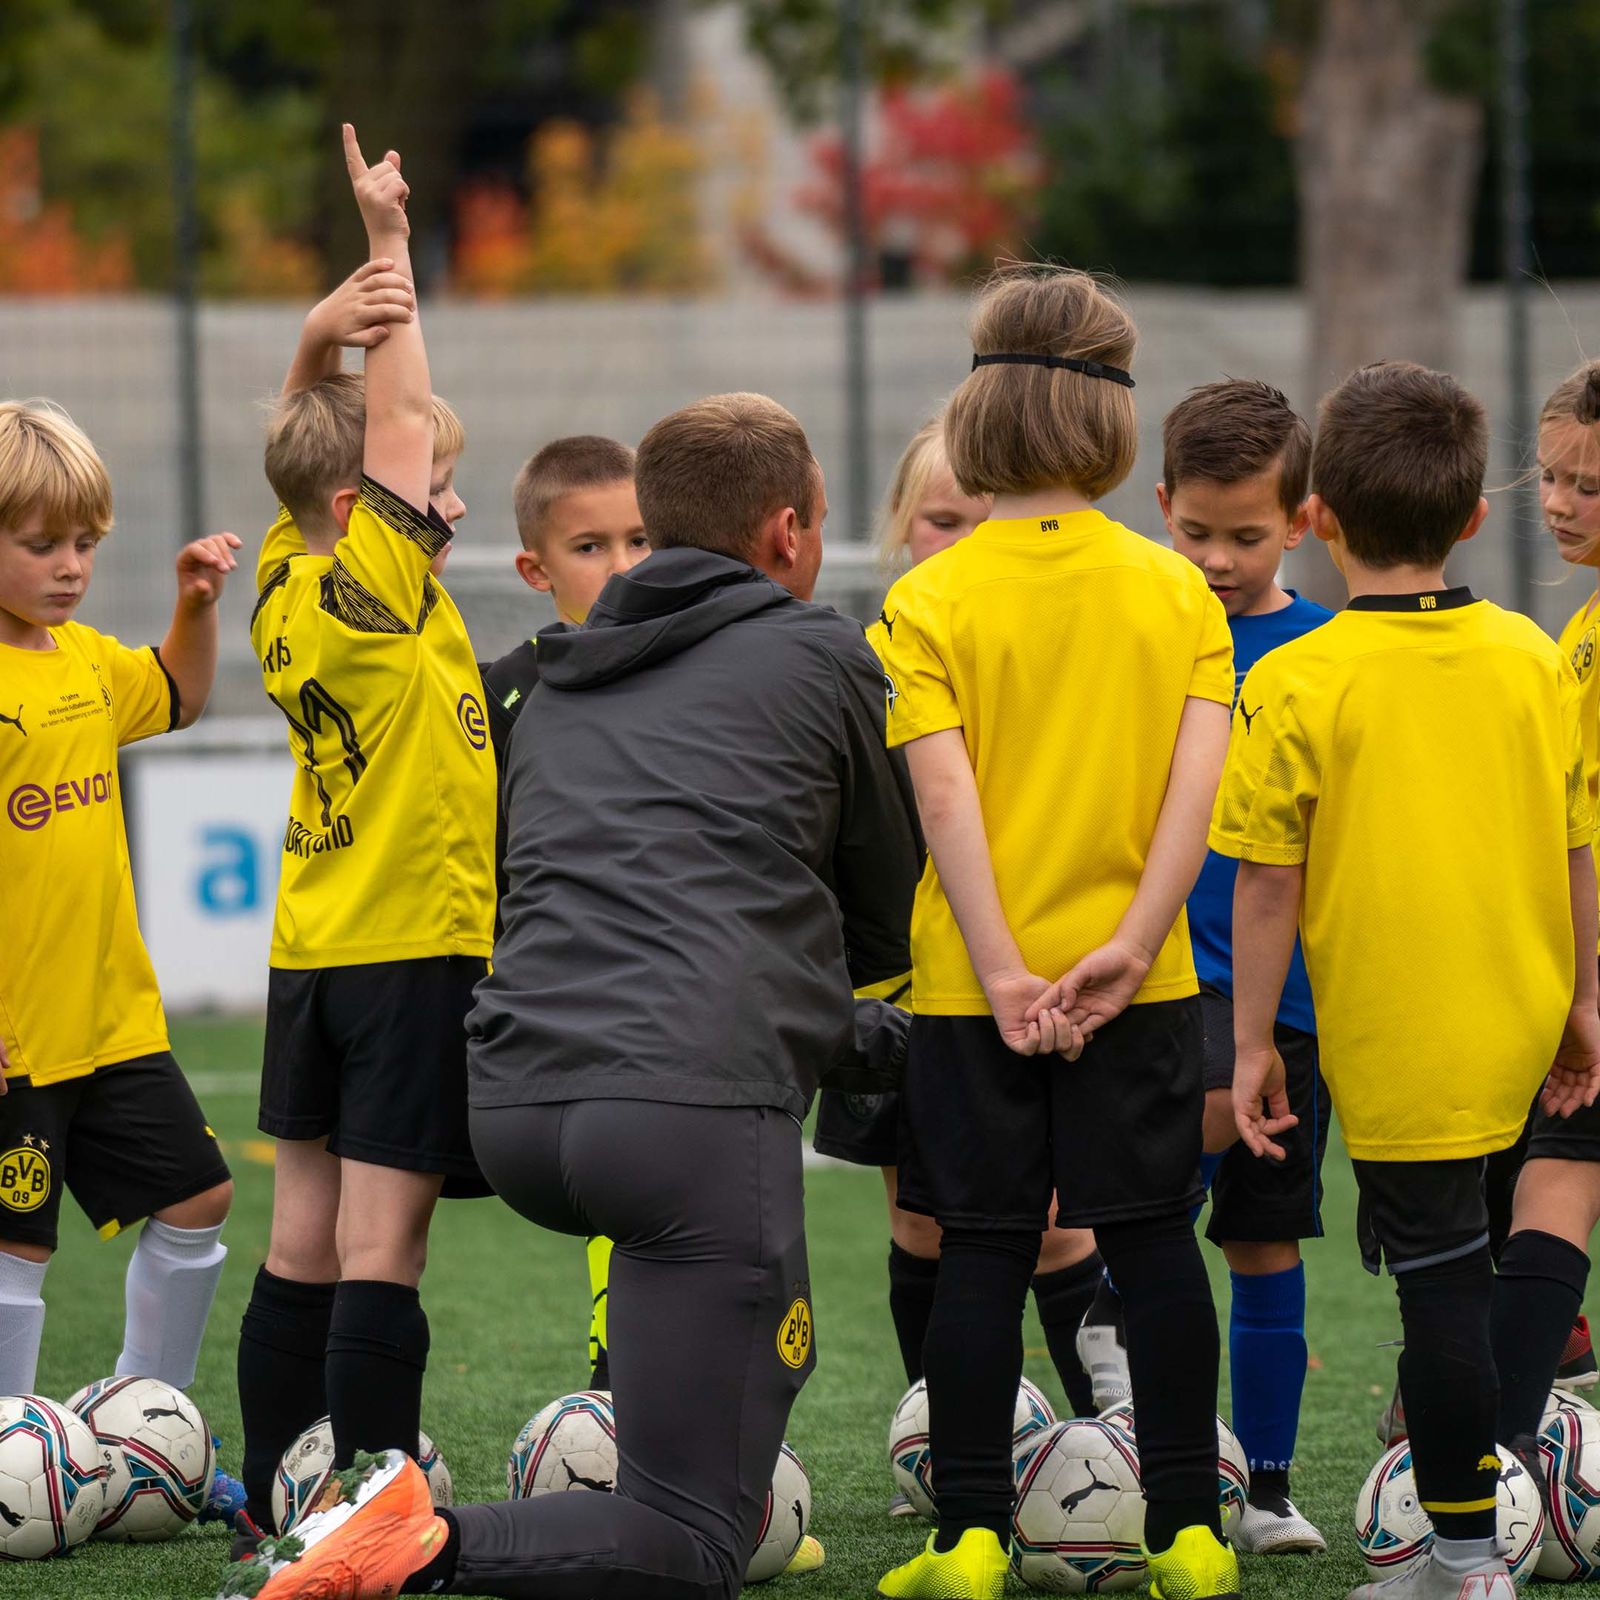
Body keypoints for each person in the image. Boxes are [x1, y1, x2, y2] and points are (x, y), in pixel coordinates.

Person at [215, 389, 922, 1600]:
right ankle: (406, 1541)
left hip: (513, 1105)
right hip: (685, 1113)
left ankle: (324, 1507)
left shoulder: (548, 675)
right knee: (693, 1534)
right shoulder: (822, 651)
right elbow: (880, 911)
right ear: (790, 534)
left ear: (654, 526)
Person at [875, 265, 1238, 1600]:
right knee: (1149, 1247)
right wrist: (1133, 949)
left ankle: (966, 1541)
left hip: (979, 992)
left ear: (976, 418)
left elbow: (944, 794)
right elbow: (1192, 797)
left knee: (979, 1248)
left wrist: (1007, 963)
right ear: (1113, 424)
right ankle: (1190, 1536)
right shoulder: (1181, 593)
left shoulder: (931, 599)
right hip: (1141, 988)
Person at [1217, 360, 1600, 1600]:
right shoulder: (1535, 660)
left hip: (1403, 1044)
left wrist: (1252, 1045)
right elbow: (1576, 843)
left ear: (1314, 512)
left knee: (1441, 1291)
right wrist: (1585, 1001)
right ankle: (1482, 1531)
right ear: (1475, 517)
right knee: (1511, 1249)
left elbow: (1265, 884)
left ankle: (1464, 1558)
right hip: (1530, 1015)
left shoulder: (1291, 679)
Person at [231, 128, 496, 1552]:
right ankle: (375, 1523)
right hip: (404, 957)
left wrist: (307, 345)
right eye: (433, 490)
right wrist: (387, 250)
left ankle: (274, 1505)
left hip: (312, 951)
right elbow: (386, 434)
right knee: (384, 1252)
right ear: (370, 513)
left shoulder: (288, 579)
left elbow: (309, 451)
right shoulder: (380, 596)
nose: (445, 502)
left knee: (300, 1248)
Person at [812, 416, 1106, 1469]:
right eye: (941, 519)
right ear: (897, 526)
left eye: (983, 520)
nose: (962, 538)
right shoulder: (855, 657)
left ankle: (1117, 1440)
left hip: (1037, 974)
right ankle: (939, 1445)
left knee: (1060, 1223)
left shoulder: (1048, 642)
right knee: (922, 1225)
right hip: (894, 993)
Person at [0, 399, 244, 1519]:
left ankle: (151, 1437)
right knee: (18, 1249)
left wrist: (196, 607)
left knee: (197, 1196)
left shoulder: (90, 665)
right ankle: (10, 1468)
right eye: (40, 543)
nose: (70, 567)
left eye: (85, 543)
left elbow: (183, 693)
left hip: (113, 1024)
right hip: (19, 1035)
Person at [1158, 378, 1332, 1554]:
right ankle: (1137, 1463)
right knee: (1140, 1233)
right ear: (1161, 505)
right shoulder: (1142, 641)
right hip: (1158, 993)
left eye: (1247, 536)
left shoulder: (1326, 652)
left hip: (1290, 1009)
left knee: (1262, 1242)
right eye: (1196, 534)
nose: (1217, 560)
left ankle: (1266, 1495)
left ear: (1304, 521)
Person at [479, 434, 649, 1392]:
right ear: (534, 569)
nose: (622, 567)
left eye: (640, 540)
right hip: (565, 995)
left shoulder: (703, 670)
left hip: (689, 985)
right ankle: (613, 1381)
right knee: (615, 1193)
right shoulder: (507, 690)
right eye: (591, 548)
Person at [1489, 360, 1600, 1474]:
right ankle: (1501, 1440)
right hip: (1574, 967)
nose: (1561, 502)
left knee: (1555, 1178)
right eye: (1551, 476)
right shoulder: (1575, 631)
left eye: (1590, 485)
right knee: (1551, 1177)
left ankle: (1497, 1450)